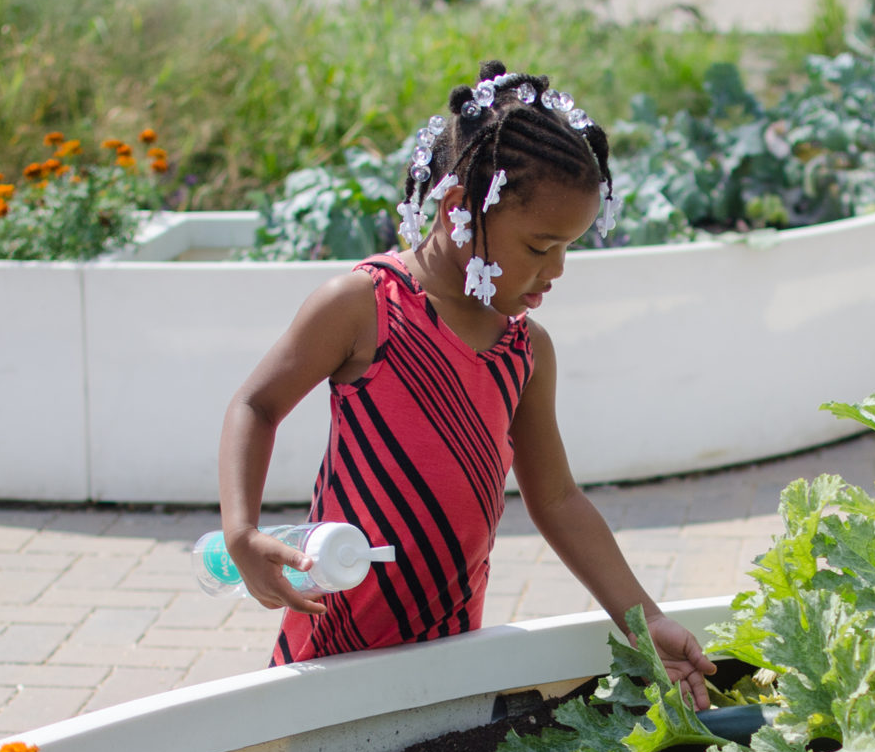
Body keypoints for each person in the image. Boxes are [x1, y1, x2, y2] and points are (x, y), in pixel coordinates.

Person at [218, 60, 717, 707]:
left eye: (569, 247)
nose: (558, 268)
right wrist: (240, 530)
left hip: (450, 649)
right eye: (540, 247)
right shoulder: (364, 308)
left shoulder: (525, 350)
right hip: (330, 643)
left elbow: (558, 499)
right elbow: (256, 405)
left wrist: (644, 620)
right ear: (459, 207)